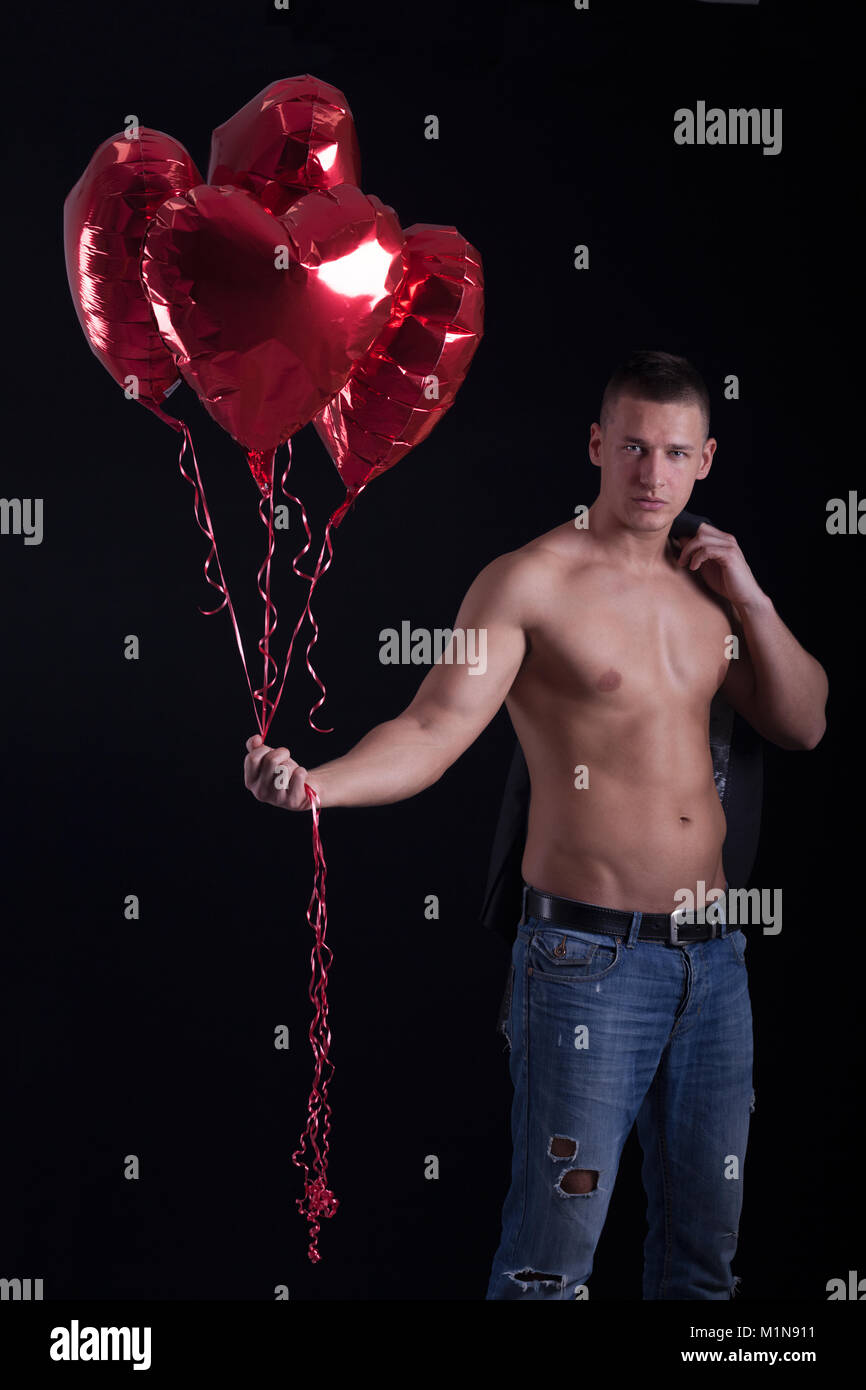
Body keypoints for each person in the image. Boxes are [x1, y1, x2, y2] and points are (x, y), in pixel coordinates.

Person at [243, 350, 828, 1299]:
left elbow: (803, 722)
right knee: (548, 1270)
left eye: (674, 453)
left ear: (706, 461)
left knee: (704, 1266)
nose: (652, 473)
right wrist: (317, 785)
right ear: (597, 445)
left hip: (715, 964)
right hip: (587, 967)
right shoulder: (530, 582)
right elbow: (433, 727)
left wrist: (753, 596)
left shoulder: (712, 586)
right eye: (633, 446)